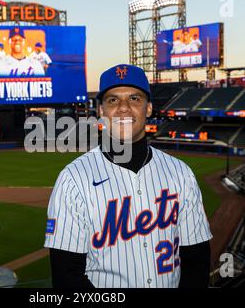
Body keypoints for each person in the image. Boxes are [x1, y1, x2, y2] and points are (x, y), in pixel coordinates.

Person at [44, 64, 212, 288]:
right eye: (113, 100)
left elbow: (196, 261)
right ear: (101, 111)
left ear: (149, 108)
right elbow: (67, 277)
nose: (123, 108)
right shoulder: (73, 179)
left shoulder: (181, 174)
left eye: (134, 98)